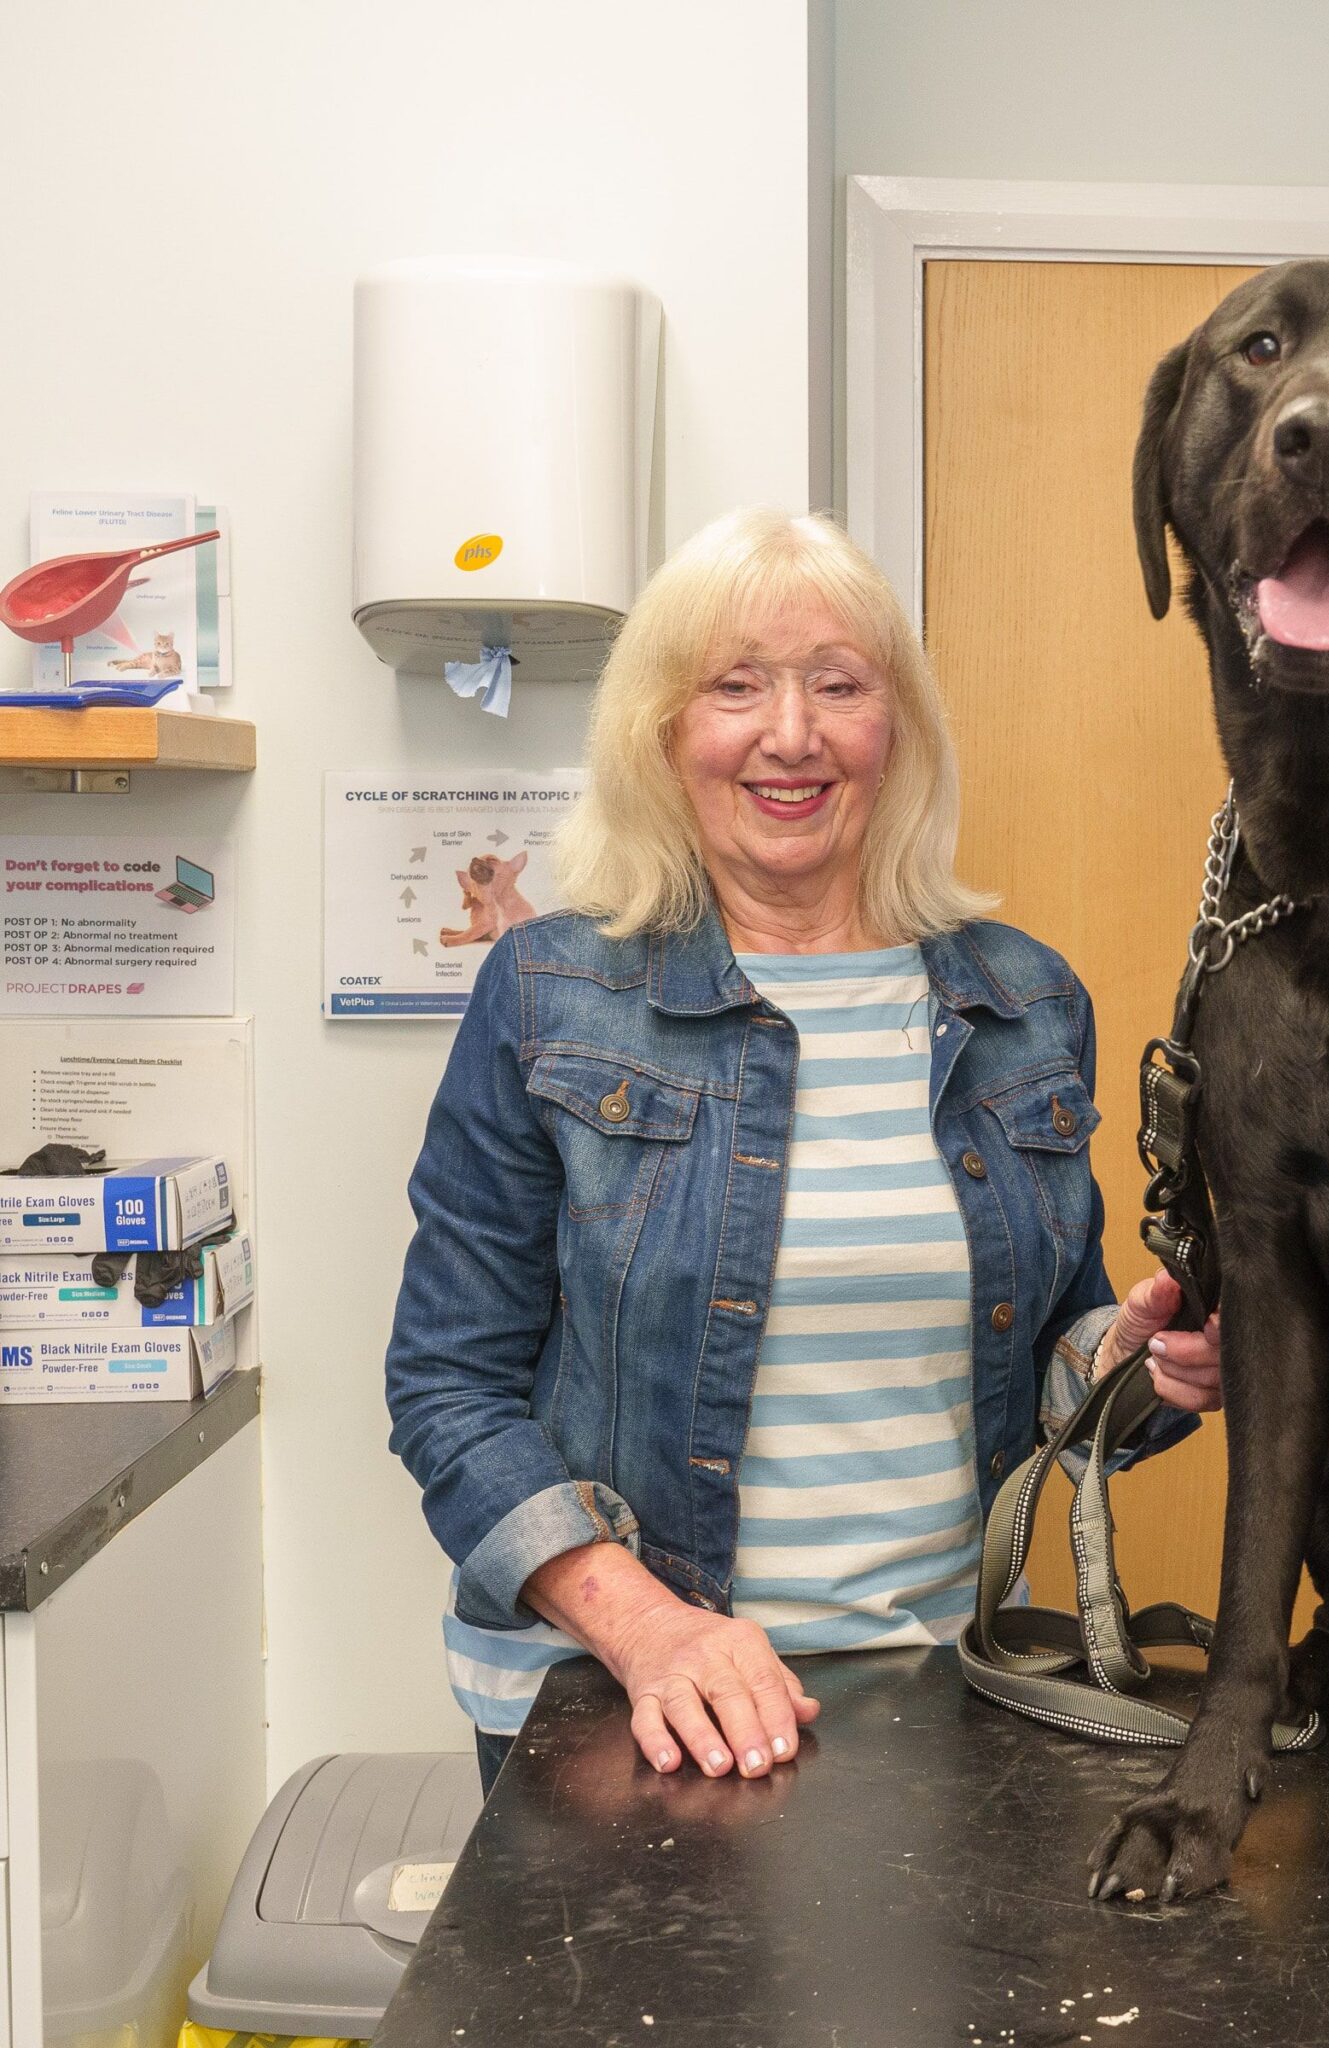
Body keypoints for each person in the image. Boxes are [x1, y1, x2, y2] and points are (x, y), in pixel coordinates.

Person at [386, 509, 1225, 1791]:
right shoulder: (555, 990)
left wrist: (1136, 1357)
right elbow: (447, 1383)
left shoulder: (1020, 1002)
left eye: (839, 683)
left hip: (930, 1685)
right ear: (663, 732)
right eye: (736, 687)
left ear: (896, 731)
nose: (791, 733)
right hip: (617, 1705)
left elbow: (1040, 1359)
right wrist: (651, 1628)